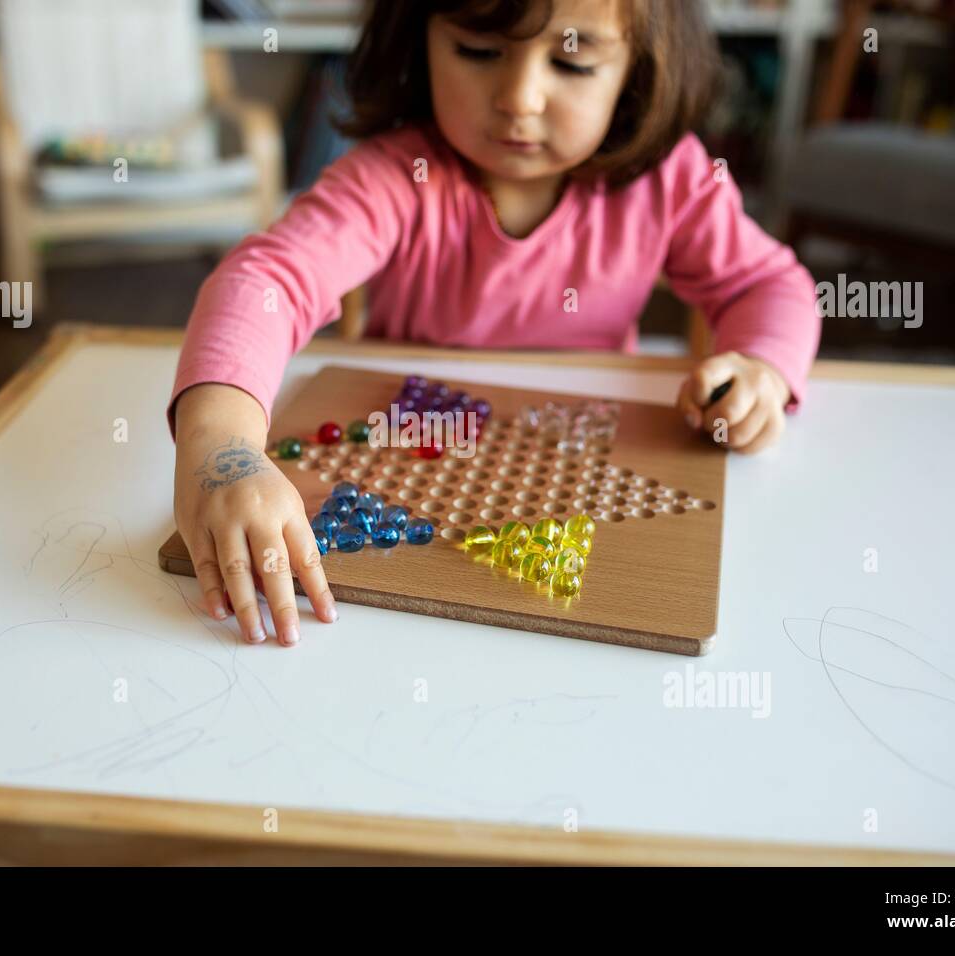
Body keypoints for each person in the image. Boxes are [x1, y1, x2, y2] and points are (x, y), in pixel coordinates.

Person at [169, 0, 820, 648]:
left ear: (639, 70)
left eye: (572, 59)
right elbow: (267, 281)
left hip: (576, 475)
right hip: (408, 476)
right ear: (418, 41)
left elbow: (768, 284)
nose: (520, 98)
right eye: (479, 52)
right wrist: (220, 447)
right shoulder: (399, 176)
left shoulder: (667, 180)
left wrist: (762, 367)